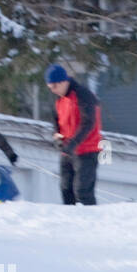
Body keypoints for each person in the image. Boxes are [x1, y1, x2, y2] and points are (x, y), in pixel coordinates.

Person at [45, 64, 103, 206]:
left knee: (82, 191)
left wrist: (72, 144)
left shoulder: (83, 95)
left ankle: (89, 223)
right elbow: (57, 122)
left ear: (63, 81)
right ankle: (70, 225)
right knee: (66, 190)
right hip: (67, 152)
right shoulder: (59, 100)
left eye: (54, 87)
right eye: (50, 88)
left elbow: (88, 123)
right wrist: (58, 138)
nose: (53, 91)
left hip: (87, 151)